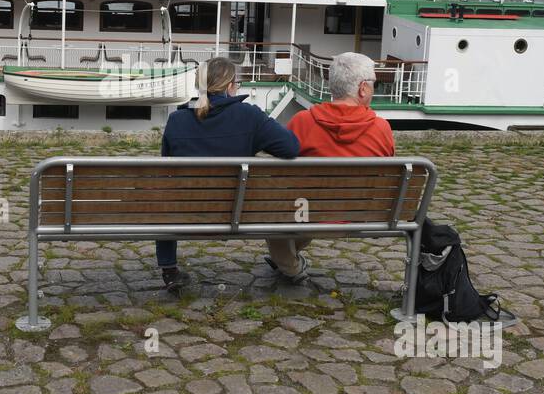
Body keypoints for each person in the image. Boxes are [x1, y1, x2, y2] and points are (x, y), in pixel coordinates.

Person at [158, 56, 299, 290]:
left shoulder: (176, 120)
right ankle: (286, 261)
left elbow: (166, 170)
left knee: (164, 194)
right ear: (231, 86)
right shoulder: (248, 116)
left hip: (185, 210)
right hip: (237, 211)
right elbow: (291, 147)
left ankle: (169, 269)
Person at [265, 52, 395, 280]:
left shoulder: (302, 122)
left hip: (308, 214)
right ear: (363, 88)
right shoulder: (381, 128)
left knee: (283, 204)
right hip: (361, 214)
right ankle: (289, 263)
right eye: (374, 83)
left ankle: (289, 264)